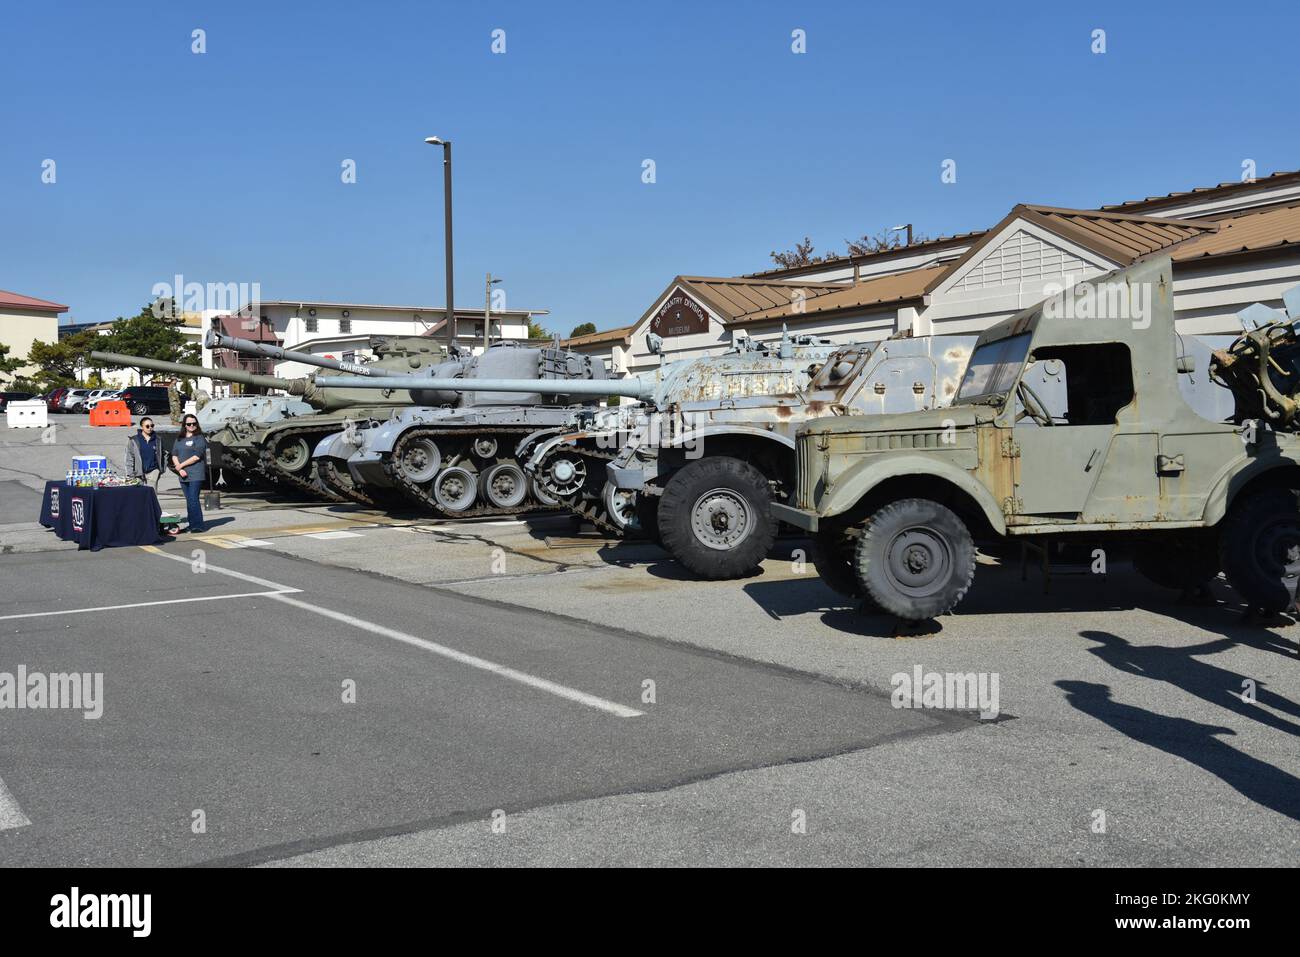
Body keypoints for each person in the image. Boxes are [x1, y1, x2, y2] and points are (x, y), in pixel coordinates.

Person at [171, 414, 208, 533]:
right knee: (189, 500)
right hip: (182, 474)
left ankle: (198, 525)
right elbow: (174, 454)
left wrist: (180, 466)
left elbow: (197, 457)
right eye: (189, 424)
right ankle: (192, 524)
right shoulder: (180, 438)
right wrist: (179, 468)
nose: (192, 426)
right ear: (184, 425)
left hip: (195, 473)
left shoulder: (199, 438)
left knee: (193, 499)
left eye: (194, 423)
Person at [124, 416, 163, 483]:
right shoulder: (134, 440)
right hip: (138, 474)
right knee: (139, 493)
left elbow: (164, 454)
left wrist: (161, 469)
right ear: (142, 427)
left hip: (153, 471)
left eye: (152, 425)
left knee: (151, 492)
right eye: (147, 426)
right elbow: (129, 457)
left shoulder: (158, 440)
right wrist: (130, 474)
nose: (150, 428)